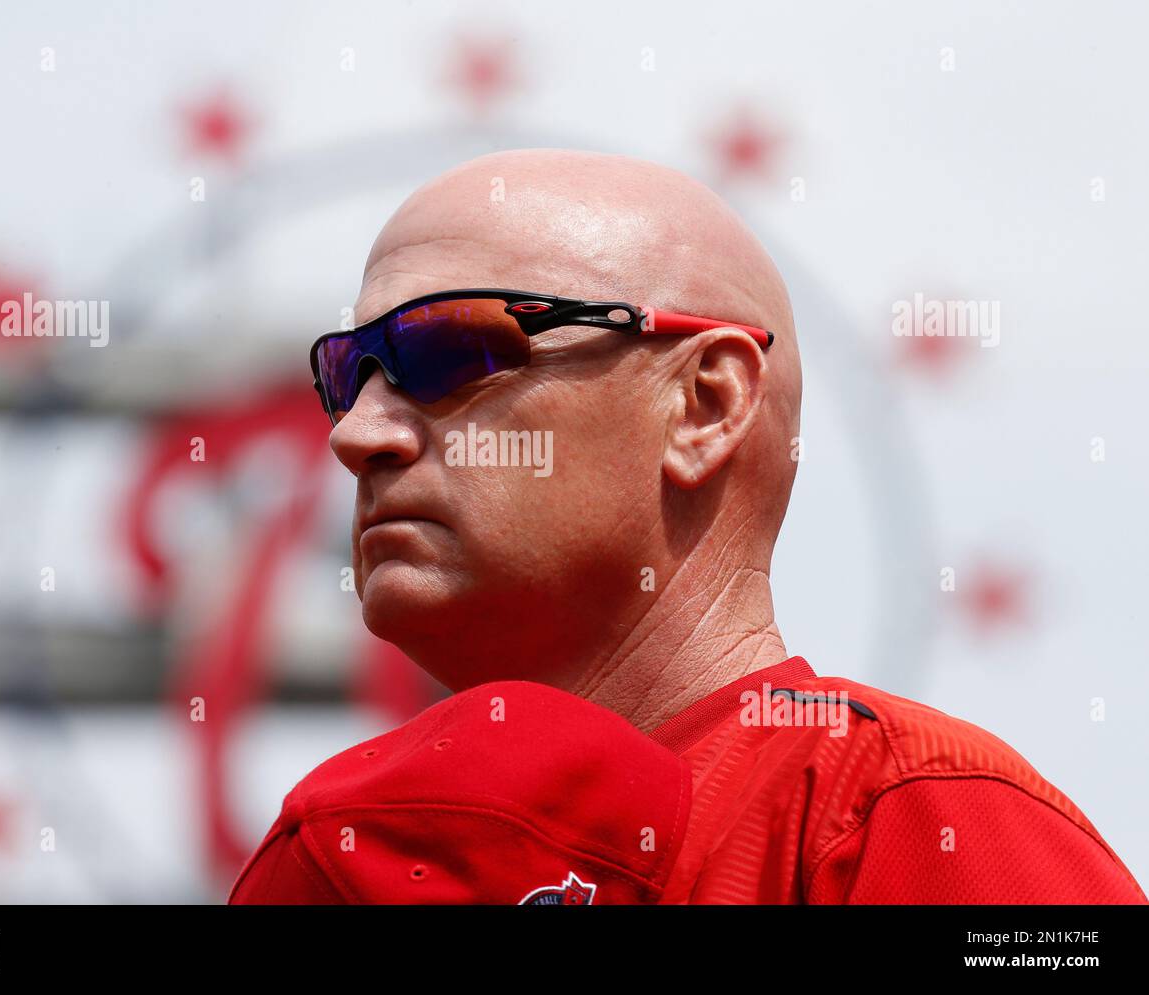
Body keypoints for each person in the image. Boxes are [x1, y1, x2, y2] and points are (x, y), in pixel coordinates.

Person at [230, 149, 1145, 904]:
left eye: (448, 350)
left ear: (703, 406)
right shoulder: (334, 859)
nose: (355, 434)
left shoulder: (912, 820)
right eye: (348, 374)